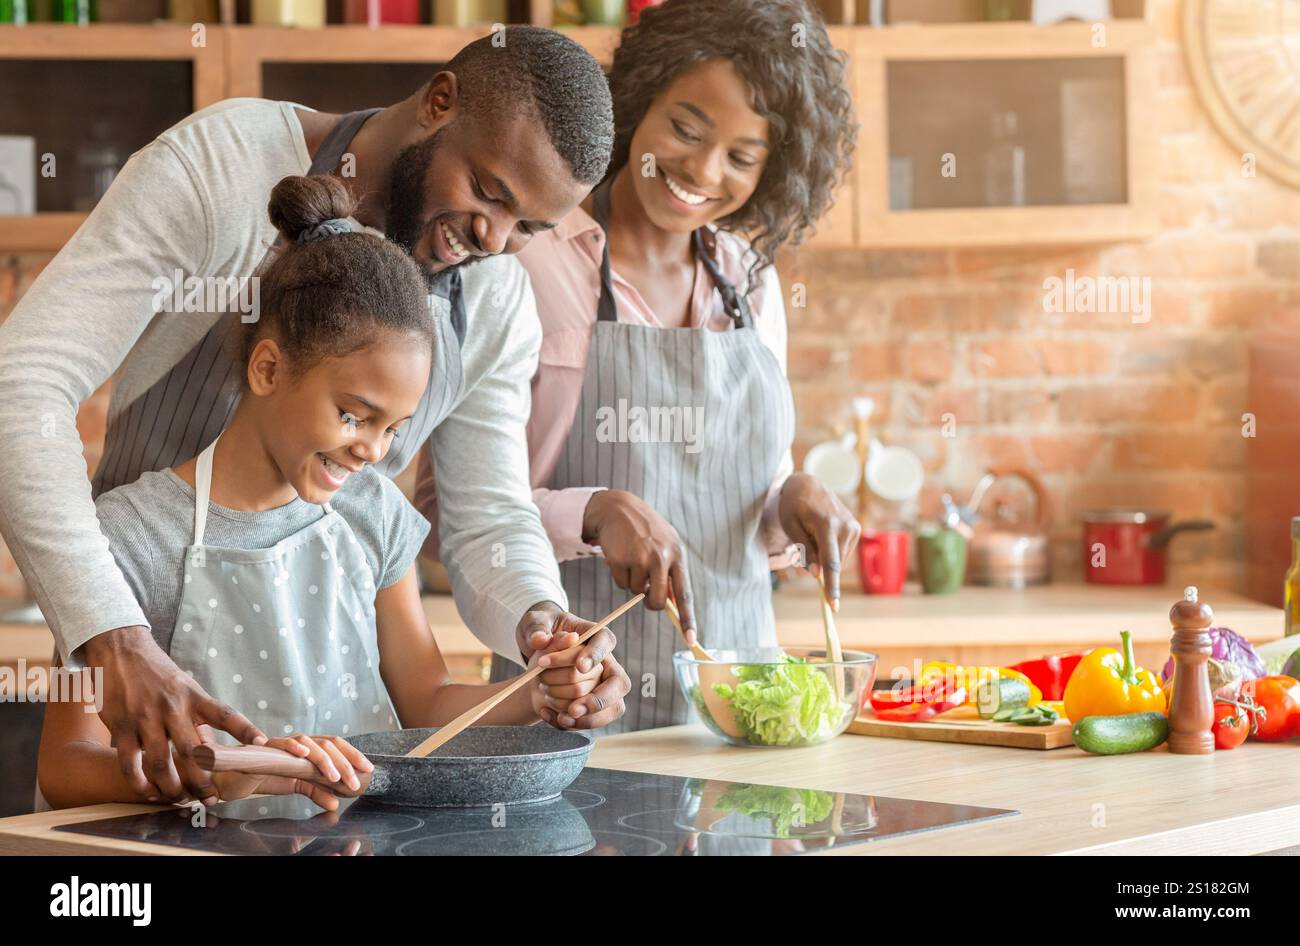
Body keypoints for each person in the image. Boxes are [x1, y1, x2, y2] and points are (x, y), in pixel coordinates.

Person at [0, 26, 622, 804]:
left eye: (531, 227)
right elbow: (20, 383)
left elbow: (489, 514)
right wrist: (111, 634)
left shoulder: (494, 298)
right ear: (438, 102)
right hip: (140, 650)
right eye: (490, 193)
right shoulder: (222, 169)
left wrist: (544, 634)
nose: (493, 240)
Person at [414, 0, 860, 730]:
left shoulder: (748, 280)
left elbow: (750, 490)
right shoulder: (526, 259)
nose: (702, 170)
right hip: (568, 706)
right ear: (637, 104)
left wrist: (795, 499)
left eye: (742, 158)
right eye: (685, 128)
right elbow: (447, 512)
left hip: (739, 718)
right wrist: (590, 513)